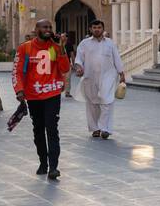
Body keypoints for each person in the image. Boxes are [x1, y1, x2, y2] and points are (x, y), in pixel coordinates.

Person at [12, 18, 69, 180]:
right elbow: (16, 71)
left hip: (52, 94)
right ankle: (43, 162)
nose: (48, 29)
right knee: (38, 129)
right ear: (36, 29)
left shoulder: (56, 48)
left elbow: (65, 68)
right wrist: (19, 90)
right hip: (33, 95)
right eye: (44, 27)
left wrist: (62, 48)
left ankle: (53, 167)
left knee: (52, 129)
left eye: (50, 27)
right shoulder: (25, 48)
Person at [73, 19, 126, 139]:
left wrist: (121, 72)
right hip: (90, 76)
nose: (97, 30)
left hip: (108, 76)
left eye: (99, 27)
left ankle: (105, 128)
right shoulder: (84, 43)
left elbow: (117, 58)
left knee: (107, 101)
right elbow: (79, 58)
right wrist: (79, 67)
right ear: (90, 29)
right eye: (94, 28)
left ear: (103, 29)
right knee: (92, 103)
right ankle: (95, 128)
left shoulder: (110, 43)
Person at [59, 32, 76, 97]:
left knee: (68, 78)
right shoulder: (58, 44)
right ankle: (58, 91)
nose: (62, 37)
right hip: (59, 64)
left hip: (68, 63)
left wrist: (74, 64)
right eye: (61, 36)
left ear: (66, 37)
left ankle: (67, 92)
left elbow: (72, 54)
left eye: (63, 36)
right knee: (60, 78)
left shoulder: (69, 44)